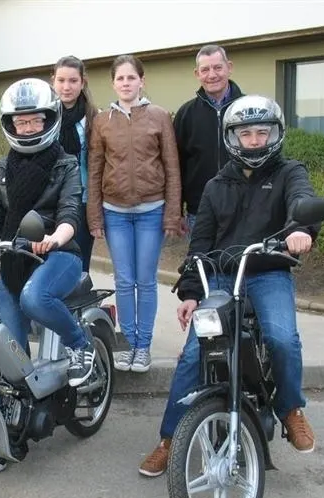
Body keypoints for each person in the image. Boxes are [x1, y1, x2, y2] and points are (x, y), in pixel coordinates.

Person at [138, 95, 321, 477]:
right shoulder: (215, 185)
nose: (254, 140)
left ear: (275, 134)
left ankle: (290, 409)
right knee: (193, 354)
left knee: (282, 338)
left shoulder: (289, 172)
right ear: (232, 138)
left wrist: (302, 229)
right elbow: (200, 245)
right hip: (222, 278)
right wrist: (191, 293)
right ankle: (170, 439)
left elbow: (302, 200)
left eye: (262, 132)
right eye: (246, 134)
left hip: (269, 272)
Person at [0, 78, 95, 388]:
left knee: (34, 299)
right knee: (9, 349)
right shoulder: (4, 167)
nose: (29, 128)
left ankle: (80, 344)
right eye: (22, 122)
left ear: (49, 119)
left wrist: (53, 239)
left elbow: (70, 214)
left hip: (59, 254)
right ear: (12, 125)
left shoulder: (66, 164)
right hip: (15, 258)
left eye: (36, 120)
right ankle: (23, 405)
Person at [87, 55, 181, 374]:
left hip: (151, 211)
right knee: (124, 281)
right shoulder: (102, 121)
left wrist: (172, 213)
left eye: (131, 77)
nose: (126, 83)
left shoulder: (159, 116)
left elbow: (172, 167)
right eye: (120, 78)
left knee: (146, 281)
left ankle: (144, 347)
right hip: (114, 213)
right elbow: (95, 169)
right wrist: (94, 217)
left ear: (142, 80)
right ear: (113, 83)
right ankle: (127, 344)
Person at [174, 44, 244, 238]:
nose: (212, 75)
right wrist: (177, 211)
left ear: (229, 67)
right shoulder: (186, 114)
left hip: (245, 210)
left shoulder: (248, 110)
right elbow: (177, 166)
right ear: (197, 73)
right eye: (205, 69)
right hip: (200, 212)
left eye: (217, 67)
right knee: (202, 259)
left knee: (243, 259)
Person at [52, 55, 98, 271]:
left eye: (73, 81)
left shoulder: (93, 117)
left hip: (82, 201)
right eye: (61, 80)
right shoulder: (44, 117)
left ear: (82, 82)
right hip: (49, 200)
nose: (66, 87)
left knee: (79, 264)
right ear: (53, 81)